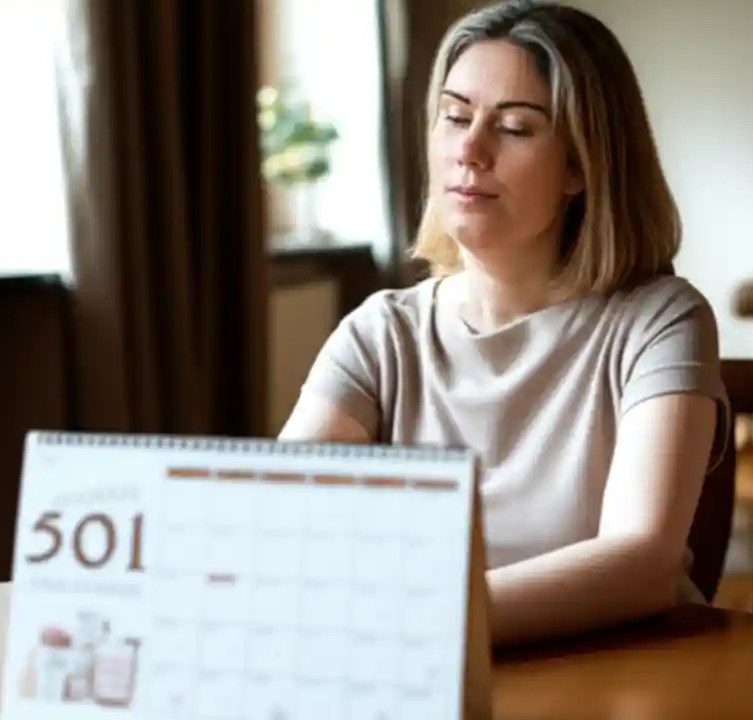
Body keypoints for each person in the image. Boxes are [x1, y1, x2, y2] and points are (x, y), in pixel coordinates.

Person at [280, 0, 729, 646]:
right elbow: (273, 521)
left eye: (515, 127)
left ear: (581, 164)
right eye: (455, 116)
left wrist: (419, 619)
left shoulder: (659, 320)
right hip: (431, 679)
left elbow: (643, 563)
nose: (470, 149)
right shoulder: (382, 334)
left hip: (617, 676)